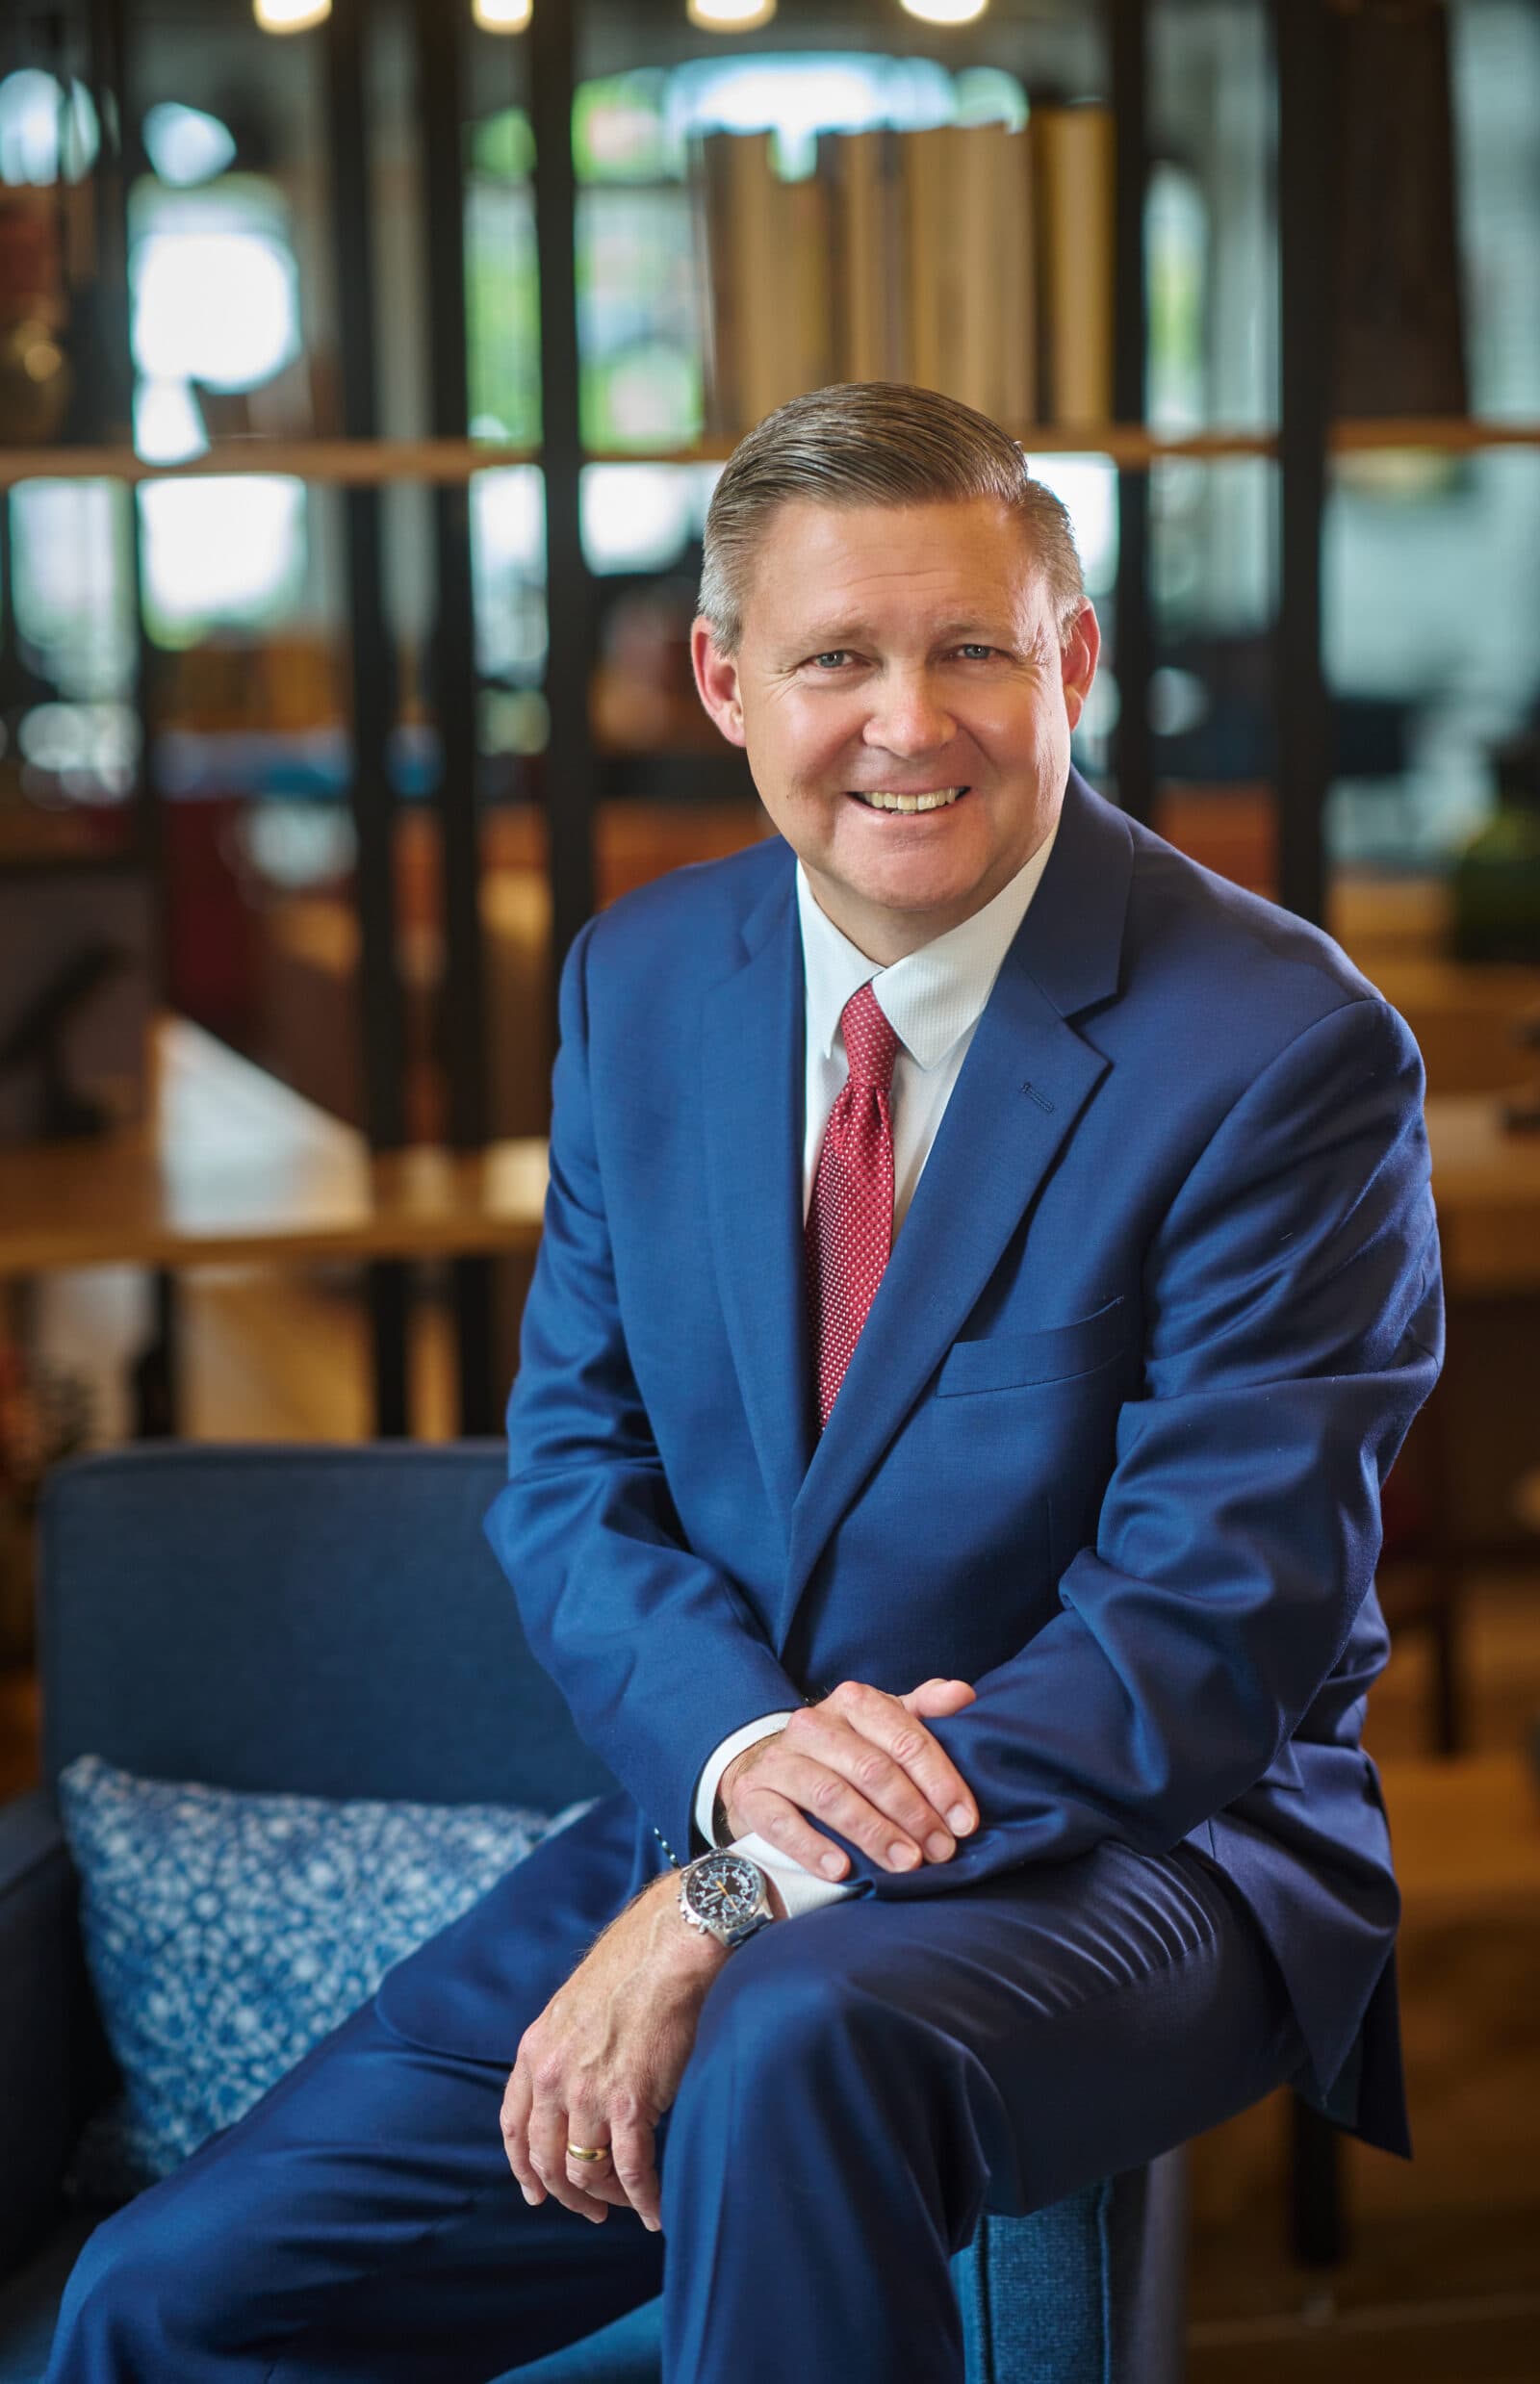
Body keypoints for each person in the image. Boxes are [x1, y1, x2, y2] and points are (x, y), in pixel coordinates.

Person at [50, 382, 1444, 2384]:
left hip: (1143, 1842)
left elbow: (1207, 1631)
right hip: (715, 1801)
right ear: (719, 681)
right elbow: (569, 1475)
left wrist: (732, 1894)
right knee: (163, 2302)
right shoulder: (640, 982)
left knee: (793, 2042)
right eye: (832, 659)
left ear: (1071, 659)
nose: (909, 720)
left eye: (972, 648)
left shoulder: (1280, 1048)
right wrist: (723, 1784)